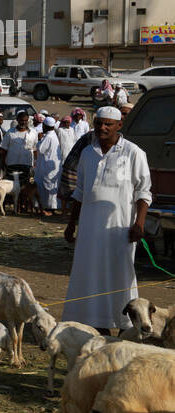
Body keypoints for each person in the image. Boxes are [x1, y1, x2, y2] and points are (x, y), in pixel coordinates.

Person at [62, 107, 151, 332]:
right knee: (88, 274)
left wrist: (139, 224)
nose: (102, 128)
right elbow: (80, 192)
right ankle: (94, 325)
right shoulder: (87, 153)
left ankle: (125, 326)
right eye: (99, 123)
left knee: (120, 277)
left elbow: (144, 192)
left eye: (108, 124)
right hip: (90, 229)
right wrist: (72, 224)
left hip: (119, 229)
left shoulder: (133, 153)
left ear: (119, 125)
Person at [34, 116, 63, 215]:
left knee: (47, 187)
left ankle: (49, 208)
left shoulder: (48, 137)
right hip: (52, 166)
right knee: (52, 187)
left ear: (45, 126)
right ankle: (51, 207)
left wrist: (39, 139)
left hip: (47, 167)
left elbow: (41, 149)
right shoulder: (54, 135)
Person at [0, 112, 36, 189]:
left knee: (25, 187)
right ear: (17, 120)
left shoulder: (33, 132)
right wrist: (3, 164)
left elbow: (35, 149)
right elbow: (3, 149)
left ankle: (22, 201)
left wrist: (36, 164)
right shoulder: (10, 132)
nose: (23, 122)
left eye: (25, 120)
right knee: (11, 187)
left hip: (27, 164)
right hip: (12, 164)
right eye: (21, 120)